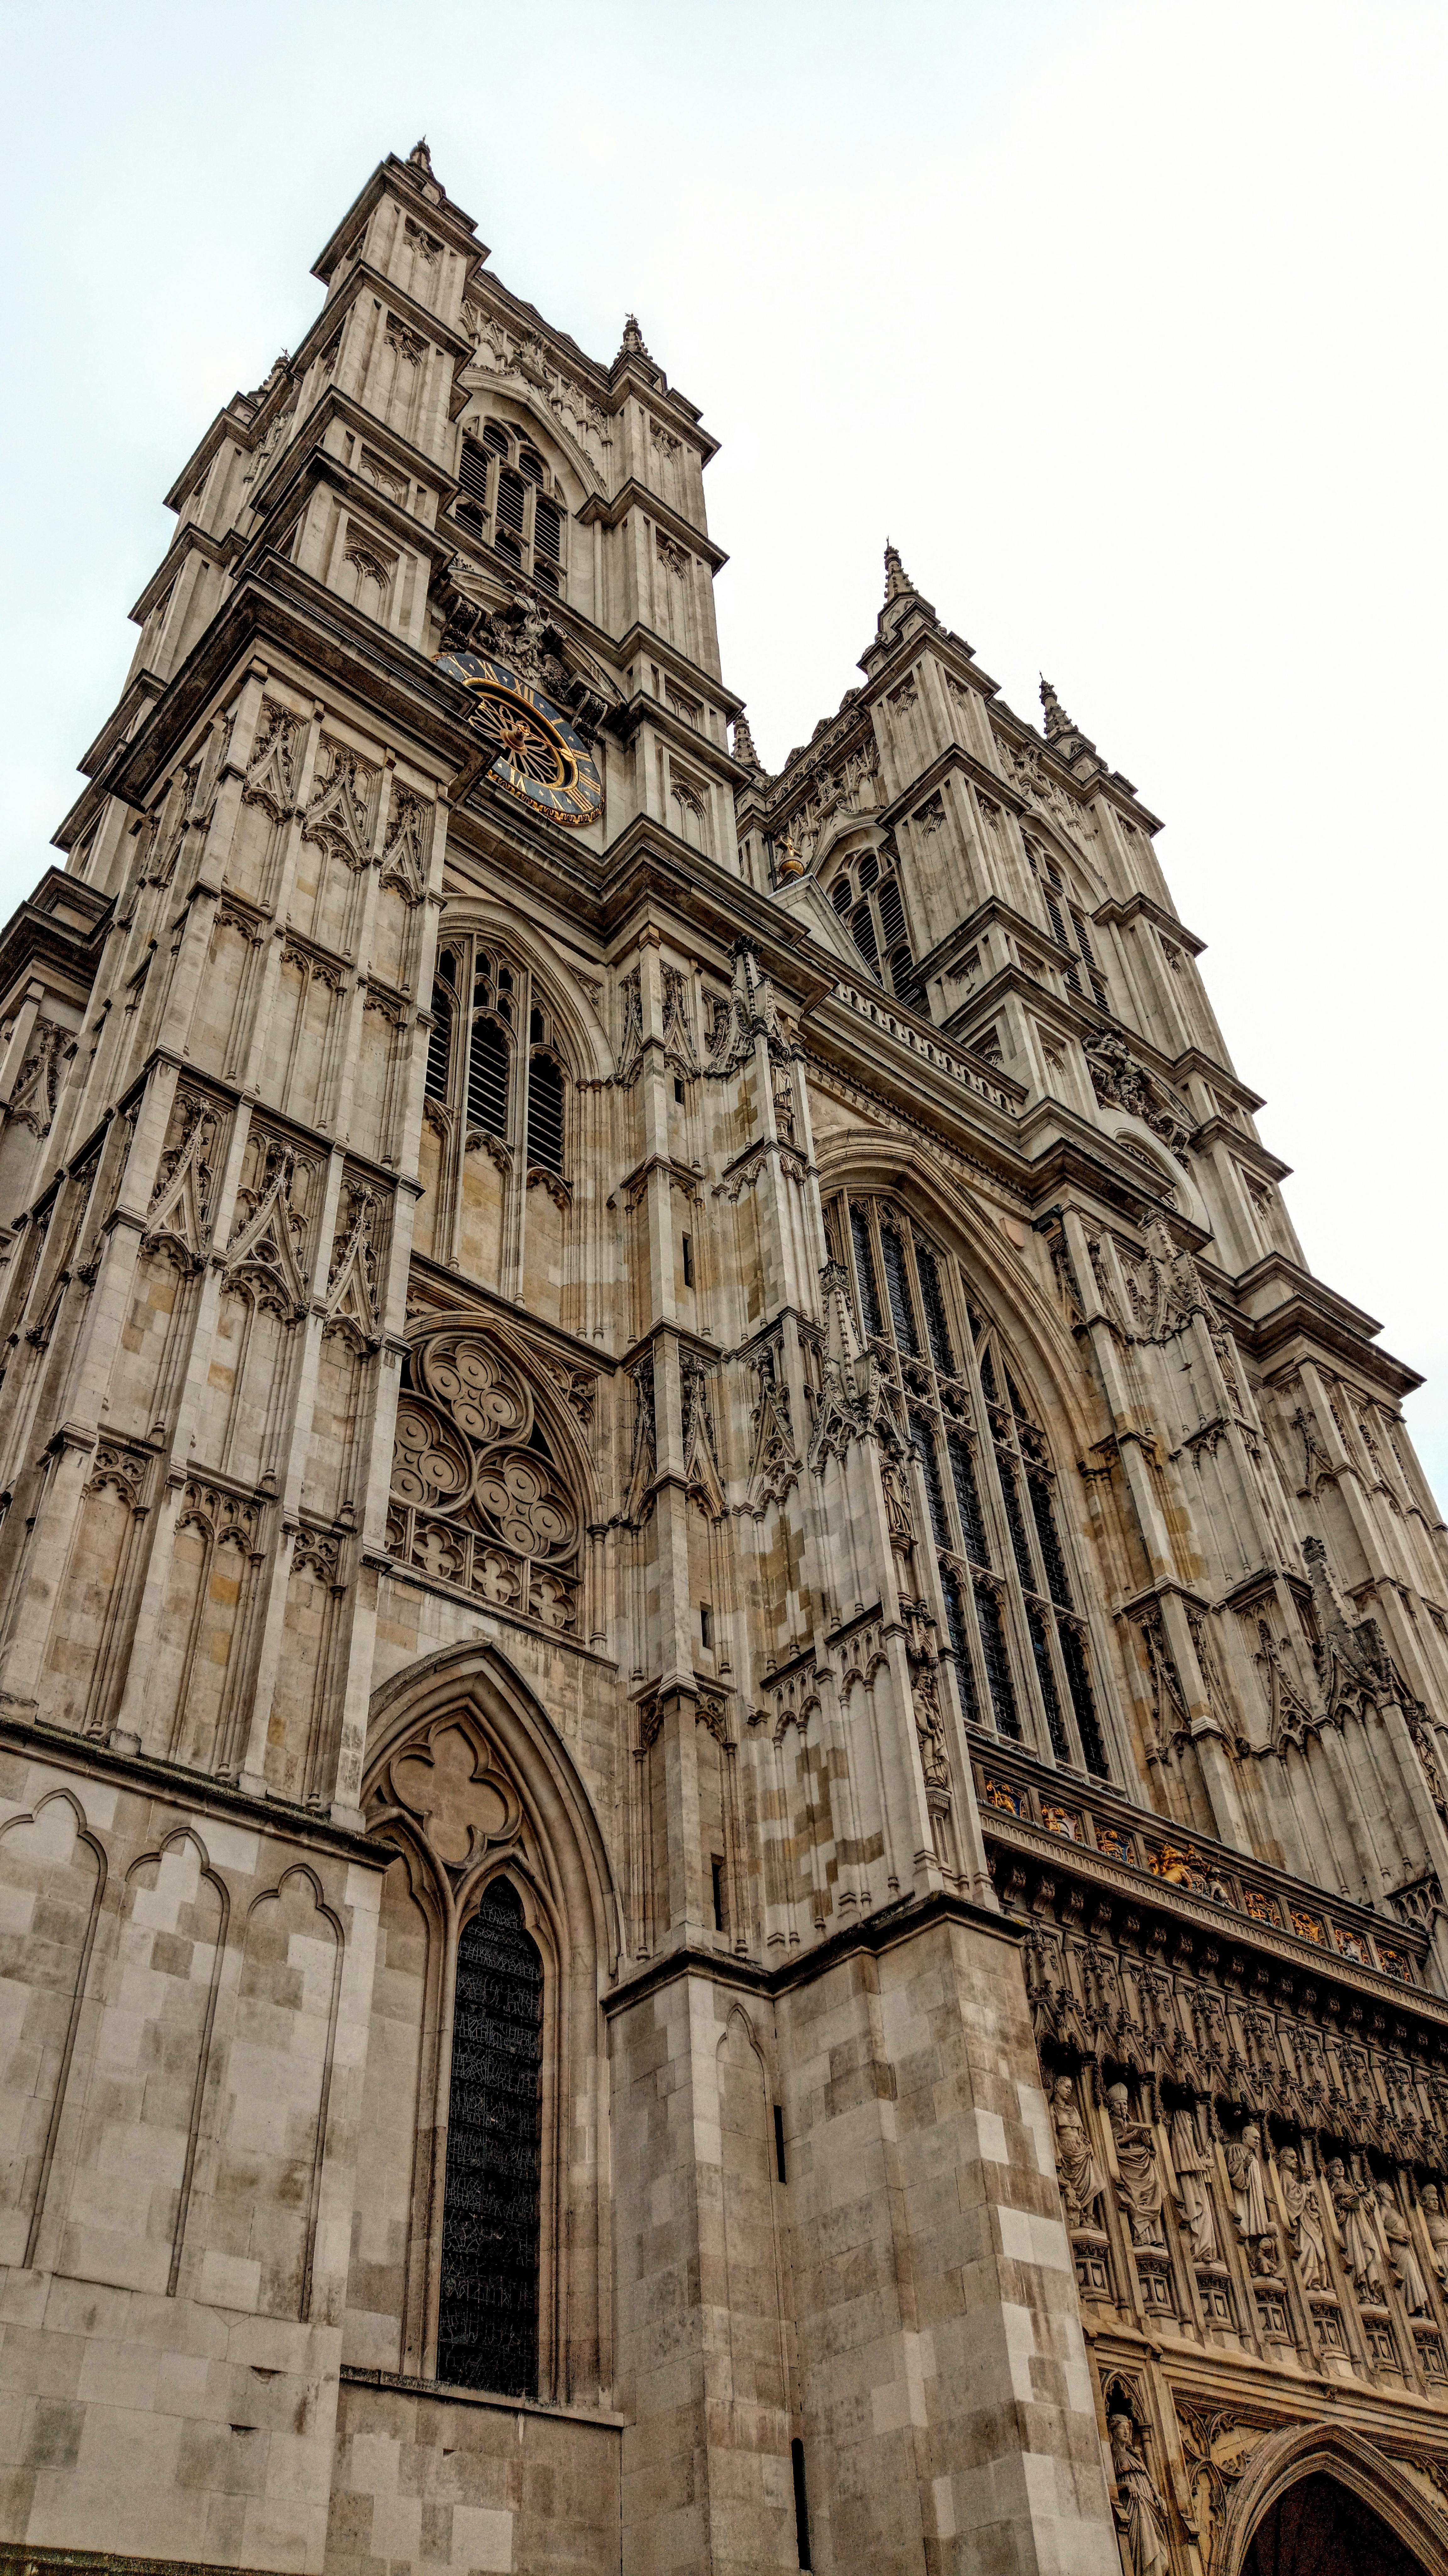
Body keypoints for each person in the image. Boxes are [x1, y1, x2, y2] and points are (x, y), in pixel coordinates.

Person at [1108, 2413, 1170, 2576]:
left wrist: (1158, 2497)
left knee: (1161, 2557)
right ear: (1114, 2431)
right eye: (1123, 2428)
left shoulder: (1134, 2455)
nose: (1127, 2432)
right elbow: (1107, 2486)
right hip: (1134, 2504)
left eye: (1128, 2429)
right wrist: (1127, 2485)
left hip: (1147, 2502)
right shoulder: (1111, 2456)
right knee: (1145, 2548)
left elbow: (1149, 2480)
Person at [1107, 2085, 1164, 2247]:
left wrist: (1147, 2142)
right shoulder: (1111, 2122)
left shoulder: (1131, 2121)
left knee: (1156, 2185)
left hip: (1143, 2162)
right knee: (1135, 2194)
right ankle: (1141, 2236)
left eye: (1125, 2104)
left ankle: (1155, 2238)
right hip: (1127, 2164)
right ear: (1112, 2106)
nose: (1123, 2107)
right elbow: (1111, 2144)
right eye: (1119, 2104)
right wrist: (1128, 2137)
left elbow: (1154, 2151)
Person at [1051, 2076, 1106, 2229]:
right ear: (1057, 2087)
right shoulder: (1052, 2108)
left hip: (1081, 2149)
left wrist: (1089, 2146)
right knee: (1074, 2185)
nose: (1069, 2090)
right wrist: (1057, 2151)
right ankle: (1079, 2215)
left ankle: (1089, 2217)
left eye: (1071, 2088)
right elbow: (1053, 2132)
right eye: (1067, 2087)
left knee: (1095, 2182)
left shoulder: (1073, 2109)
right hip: (1067, 2150)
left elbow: (1080, 2133)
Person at [1276, 2148, 1328, 2293]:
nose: (1296, 2161)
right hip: (1301, 2222)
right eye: (1292, 2158)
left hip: (1308, 2219)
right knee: (1308, 2246)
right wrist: (1306, 2189)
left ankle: (1315, 2279)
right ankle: (1310, 2279)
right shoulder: (1284, 2177)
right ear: (1283, 2159)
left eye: (1296, 2158)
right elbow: (1290, 2199)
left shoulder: (1292, 2178)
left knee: (1313, 2246)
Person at [1170, 2107, 1217, 2265]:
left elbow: (1192, 2162)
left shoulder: (1188, 2142)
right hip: (1189, 2189)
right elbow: (1184, 2164)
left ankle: (1205, 2251)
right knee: (1199, 2216)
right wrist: (1203, 2163)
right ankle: (1199, 2252)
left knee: (1206, 2218)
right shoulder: (1179, 2139)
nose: (1191, 2123)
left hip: (1197, 2187)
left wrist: (1203, 2158)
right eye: (1189, 2120)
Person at [1378, 2182, 1429, 2315]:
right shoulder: (1384, 2209)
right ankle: (1411, 2308)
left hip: (1405, 2247)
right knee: (1407, 2273)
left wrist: (1407, 2233)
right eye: (1389, 2190)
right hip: (1397, 2247)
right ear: (1382, 2193)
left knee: (1413, 2272)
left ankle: (1418, 2305)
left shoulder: (1393, 2210)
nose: (1393, 2192)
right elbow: (1380, 2229)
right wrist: (1397, 2237)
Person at [1420, 2182, 1448, 2287]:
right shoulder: (1425, 2220)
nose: (1436, 2203)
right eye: (1433, 2200)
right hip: (1441, 2250)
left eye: (1437, 2200)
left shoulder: (1443, 2219)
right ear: (1426, 2201)